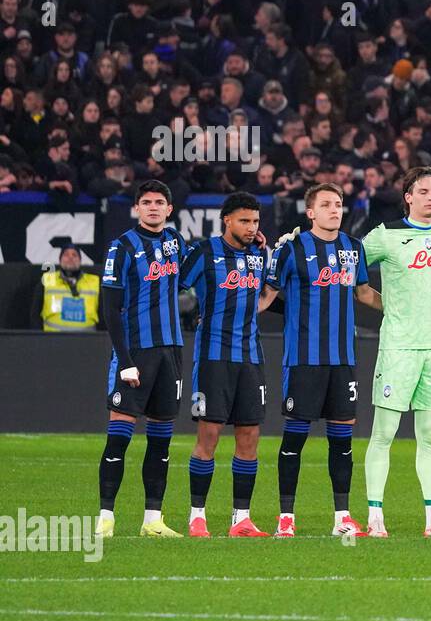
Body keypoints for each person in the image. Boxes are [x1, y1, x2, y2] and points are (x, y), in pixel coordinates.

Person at [356, 167, 431, 538]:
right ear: (408, 196)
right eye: (423, 191)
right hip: (398, 347)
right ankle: (375, 517)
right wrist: (389, 305)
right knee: (384, 433)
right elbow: (353, 268)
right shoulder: (386, 235)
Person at [260, 183, 382, 537]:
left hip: (342, 360)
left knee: (341, 442)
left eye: (339, 204)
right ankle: (286, 517)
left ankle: (342, 517)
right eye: (326, 204)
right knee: (295, 438)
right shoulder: (291, 249)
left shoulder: (352, 249)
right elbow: (267, 296)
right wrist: (232, 315)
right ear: (310, 212)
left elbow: (363, 293)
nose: (334, 209)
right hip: (303, 359)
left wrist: (401, 310)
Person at [96, 180, 188, 538]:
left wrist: (256, 244)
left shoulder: (176, 243)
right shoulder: (121, 248)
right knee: (119, 437)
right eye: (146, 202)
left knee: (161, 442)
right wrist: (124, 360)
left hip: (171, 353)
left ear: (169, 209)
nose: (152, 207)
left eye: (159, 202)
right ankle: (106, 516)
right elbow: (110, 309)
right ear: (137, 207)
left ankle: (153, 520)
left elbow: (204, 270)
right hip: (135, 352)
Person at [178, 192, 271, 537]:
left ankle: (241, 519)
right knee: (210, 435)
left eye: (256, 222)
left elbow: (263, 298)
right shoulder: (204, 253)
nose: (251, 228)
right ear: (227, 220)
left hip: (251, 357)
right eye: (244, 221)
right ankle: (197, 516)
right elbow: (175, 287)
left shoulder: (259, 256)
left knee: (249, 436)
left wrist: (267, 252)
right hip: (213, 357)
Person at [39, 243, 99, 332]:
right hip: (52, 340)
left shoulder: (94, 281)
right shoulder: (47, 280)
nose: (70, 257)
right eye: (66, 254)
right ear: (60, 260)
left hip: (87, 341)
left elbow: (105, 314)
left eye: (74, 255)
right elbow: (35, 313)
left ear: (80, 260)